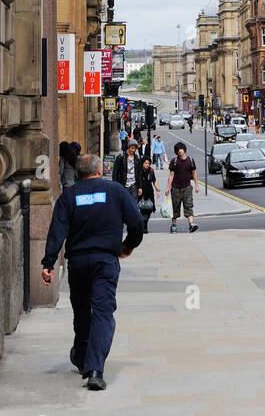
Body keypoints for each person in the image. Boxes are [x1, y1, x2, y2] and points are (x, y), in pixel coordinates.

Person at [40, 152, 143, 391]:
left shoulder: (69, 195)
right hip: (105, 261)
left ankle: (81, 355)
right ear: (99, 171)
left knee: (82, 312)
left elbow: (57, 230)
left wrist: (48, 263)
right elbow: (137, 222)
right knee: (103, 312)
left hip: (78, 263)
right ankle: (95, 369)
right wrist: (128, 245)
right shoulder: (115, 191)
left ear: (77, 174)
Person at [167, 141, 199, 235]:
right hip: (176, 188)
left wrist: (196, 185)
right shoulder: (174, 161)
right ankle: (173, 226)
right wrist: (168, 188)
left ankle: (191, 224)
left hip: (187, 187)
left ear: (184, 149)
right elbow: (171, 175)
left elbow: (194, 173)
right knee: (175, 208)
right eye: (178, 150)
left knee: (189, 206)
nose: (180, 151)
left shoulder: (190, 160)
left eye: (181, 149)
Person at [137, 158, 158, 233]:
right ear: (142, 163)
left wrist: (157, 189)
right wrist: (139, 188)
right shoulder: (139, 170)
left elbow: (154, 180)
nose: (147, 165)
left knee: (149, 208)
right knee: (142, 208)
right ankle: (143, 226)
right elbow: (137, 180)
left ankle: (145, 224)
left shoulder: (151, 170)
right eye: (145, 163)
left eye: (148, 163)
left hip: (149, 191)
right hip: (141, 191)